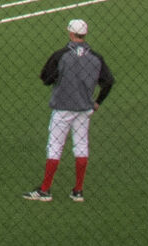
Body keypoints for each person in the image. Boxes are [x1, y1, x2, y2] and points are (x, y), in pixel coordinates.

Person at [25, 19, 114, 202]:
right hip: (84, 109)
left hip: (62, 108)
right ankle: (78, 191)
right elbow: (109, 81)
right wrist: (97, 102)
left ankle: (45, 190)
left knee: (55, 146)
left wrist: (59, 78)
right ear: (85, 34)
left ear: (71, 33)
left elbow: (45, 77)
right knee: (81, 146)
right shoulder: (96, 57)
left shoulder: (61, 55)